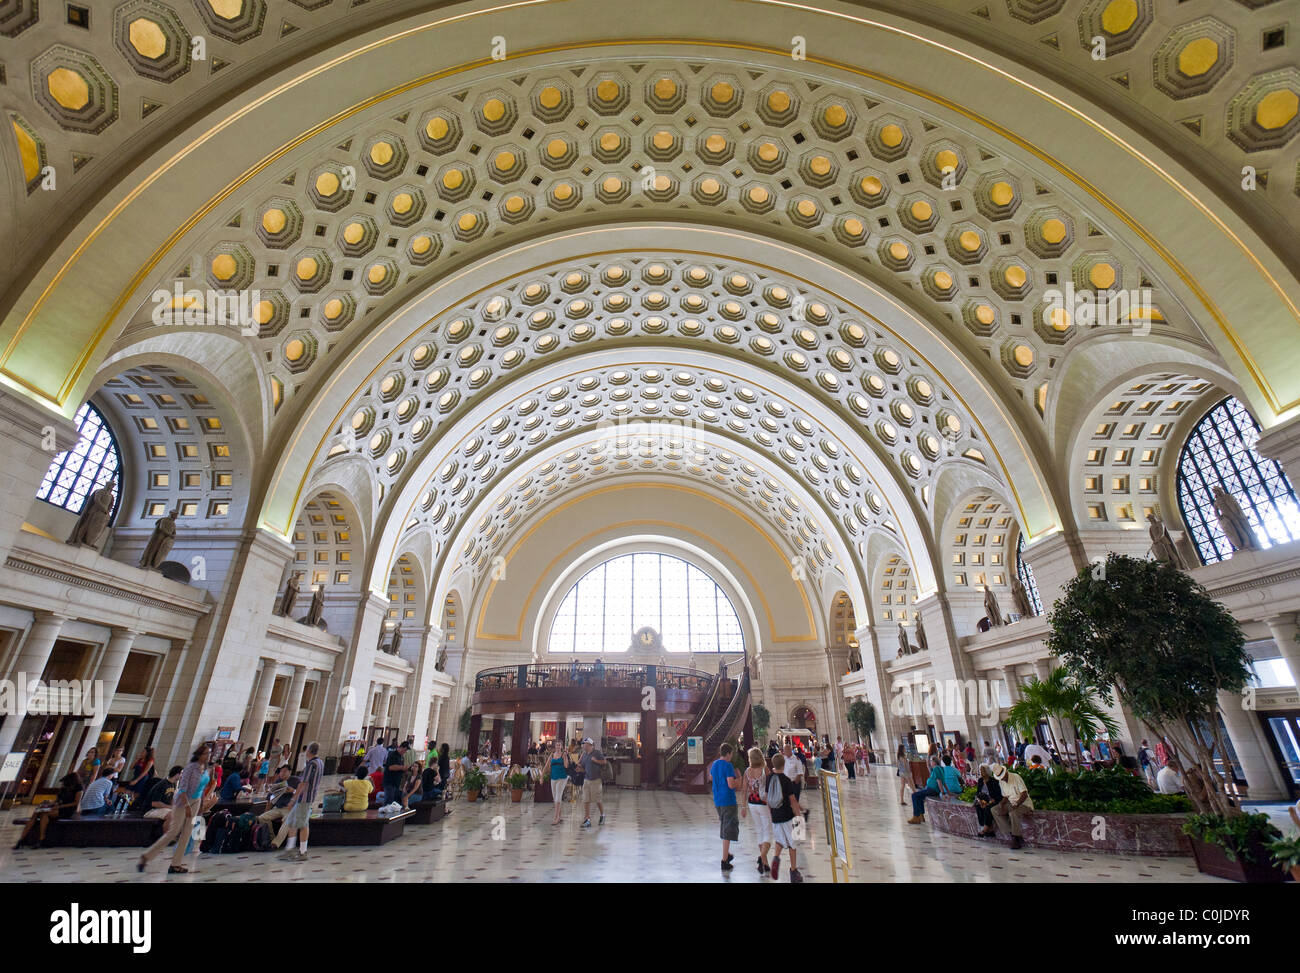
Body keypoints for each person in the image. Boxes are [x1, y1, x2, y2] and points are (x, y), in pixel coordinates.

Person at [139, 744, 210, 875]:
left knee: (187, 833)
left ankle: (175, 864)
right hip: (183, 801)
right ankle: (147, 856)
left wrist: (202, 804)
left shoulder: (206, 768)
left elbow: (203, 788)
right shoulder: (190, 768)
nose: (207, 756)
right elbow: (182, 789)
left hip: (196, 801)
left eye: (208, 753)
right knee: (174, 831)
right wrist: (187, 806)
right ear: (199, 754)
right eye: (205, 753)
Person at [278, 741, 324, 861]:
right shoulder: (320, 762)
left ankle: (303, 852)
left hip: (304, 798)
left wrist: (293, 799)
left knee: (303, 824)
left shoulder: (312, 764)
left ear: (308, 751)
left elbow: (303, 783)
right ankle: (289, 850)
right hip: (306, 797)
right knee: (292, 822)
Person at [13, 772, 82, 849]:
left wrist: (60, 806)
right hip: (57, 807)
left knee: (44, 814)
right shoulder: (64, 789)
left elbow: (76, 803)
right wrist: (49, 803)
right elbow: (58, 800)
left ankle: (41, 838)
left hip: (67, 810)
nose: (63, 785)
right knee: (36, 813)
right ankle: (22, 839)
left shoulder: (79, 789)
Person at [767, 753, 805, 883]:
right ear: (784, 765)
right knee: (792, 844)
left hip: (775, 816)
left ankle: (776, 858)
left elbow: (767, 798)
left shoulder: (769, 778)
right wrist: (798, 816)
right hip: (788, 816)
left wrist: (771, 813)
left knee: (779, 840)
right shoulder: (786, 780)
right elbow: (793, 800)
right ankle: (794, 871)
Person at [708, 743, 742, 871]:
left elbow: (711, 777)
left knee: (724, 825)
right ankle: (724, 861)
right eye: (731, 754)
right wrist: (739, 778)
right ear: (728, 753)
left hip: (718, 800)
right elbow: (731, 785)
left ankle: (726, 854)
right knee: (728, 830)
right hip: (728, 800)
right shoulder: (728, 765)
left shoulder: (715, 764)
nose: (731, 756)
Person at [907, 753, 962, 824]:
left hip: (932, 789)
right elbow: (943, 781)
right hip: (931, 789)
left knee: (914, 795)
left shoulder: (936, 768)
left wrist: (943, 793)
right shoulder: (941, 768)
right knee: (919, 797)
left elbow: (939, 781)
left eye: (931, 761)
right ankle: (920, 816)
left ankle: (916, 816)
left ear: (934, 762)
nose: (930, 762)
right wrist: (948, 792)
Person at [743, 747, 773, 874]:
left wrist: (743, 806)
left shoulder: (747, 771)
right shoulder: (764, 770)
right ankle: (762, 856)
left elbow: (743, 790)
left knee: (759, 831)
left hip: (751, 803)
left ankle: (764, 864)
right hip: (763, 803)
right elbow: (772, 785)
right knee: (768, 832)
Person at [990, 763, 1034, 848]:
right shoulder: (1001, 782)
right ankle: (1012, 833)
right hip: (1011, 803)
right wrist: (1001, 804)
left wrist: (1017, 804)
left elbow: (1024, 794)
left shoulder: (1016, 777)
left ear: (1005, 772)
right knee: (994, 810)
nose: (1002, 779)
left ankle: (1016, 837)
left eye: (1002, 777)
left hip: (1024, 803)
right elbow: (1006, 796)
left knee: (1013, 812)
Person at [260, 766, 297, 838]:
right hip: (277, 808)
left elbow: (303, 794)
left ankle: (276, 843)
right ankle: (271, 837)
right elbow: (270, 798)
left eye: (285, 771)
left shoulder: (296, 780)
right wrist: (266, 810)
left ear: (289, 772)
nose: (282, 773)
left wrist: (293, 791)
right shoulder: (278, 782)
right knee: (262, 817)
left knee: (286, 820)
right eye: (281, 771)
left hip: (289, 808)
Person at [579, 738, 606, 827]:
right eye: (583, 744)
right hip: (586, 779)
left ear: (591, 745)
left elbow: (604, 762)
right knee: (586, 800)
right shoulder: (584, 755)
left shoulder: (597, 753)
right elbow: (583, 767)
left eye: (586, 744)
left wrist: (596, 761)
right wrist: (579, 769)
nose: (584, 746)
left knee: (597, 799)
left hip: (596, 780)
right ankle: (587, 819)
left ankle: (602, 815)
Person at [972, 764, 1002, 838]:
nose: (981, 772)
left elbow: (998, 795)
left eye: (982, 771)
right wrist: (980, 801)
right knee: (978, 806)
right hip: (983, 800)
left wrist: (990, 801)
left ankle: (985, 829)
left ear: (987, 771)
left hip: (993, 800)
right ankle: (989, 830)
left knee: (989, 808)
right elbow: (978, 793)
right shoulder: (980, 780)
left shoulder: (993, 781)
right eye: (980, 771)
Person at [549, 743, 571, 825]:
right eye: (556, 745)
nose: (558, 746)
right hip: (553, 777)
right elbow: (548, 765)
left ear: (562, 747)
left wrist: (565, 756)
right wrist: (541, 776)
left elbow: (566, 766)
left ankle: (556, 817)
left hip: (562, 777)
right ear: (555, 746)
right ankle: (560, 816)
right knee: (555, 797)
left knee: (558, 796)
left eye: (559, 745)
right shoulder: (552, 755)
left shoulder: (563, 755)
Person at [383, 740, 409, 807]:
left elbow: (401, 768)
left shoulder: (401, 757)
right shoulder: (392, 754)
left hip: (396, 783)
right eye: (405, 750)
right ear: (401, 747)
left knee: (394, 802)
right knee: (389, 801)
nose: (405, 752)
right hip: (390, 782)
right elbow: (391, 767)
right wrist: (402, 767)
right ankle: (385, 816)